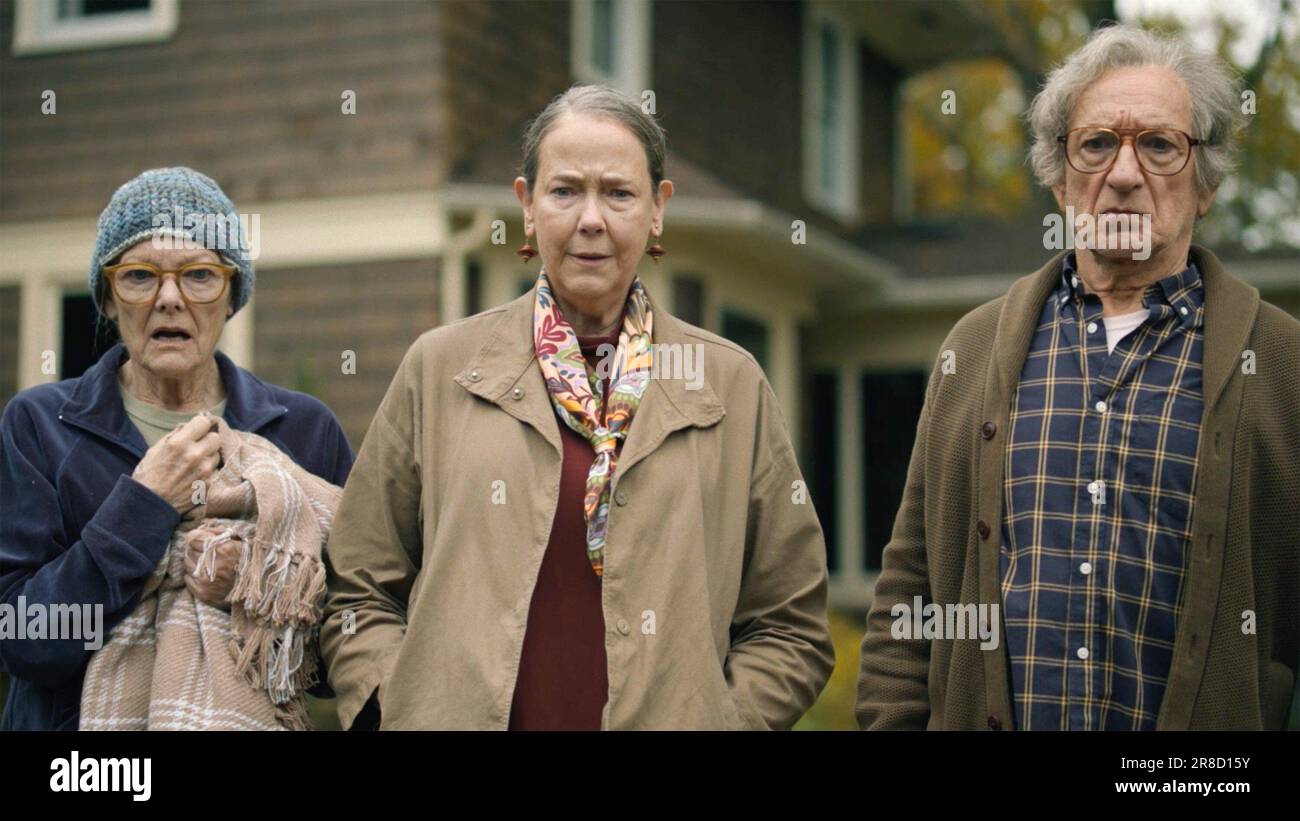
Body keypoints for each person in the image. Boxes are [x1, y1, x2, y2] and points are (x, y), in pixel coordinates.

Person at [321, 84, 834, 730]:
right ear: (527, 207)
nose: (591, 218)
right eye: (565, 191)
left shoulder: (727, 384)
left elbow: (792, 621)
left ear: (657, 211)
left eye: (618, 193)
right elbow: (357, 584)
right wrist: (392, 704)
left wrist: (724, 720)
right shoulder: (440, 369)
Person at [856, 24, 1298, 731]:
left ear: (1205, 182)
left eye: (1159, 144)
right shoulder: (970, 353)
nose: (1124, 174)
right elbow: (911, 585)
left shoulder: (1282, 366)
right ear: (1059, 177)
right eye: (1096, 144)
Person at [0, 167, 354, 730]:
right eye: (139, 276)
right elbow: (26, 641)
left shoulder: (303, 431)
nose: (169, 299)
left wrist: (250, 587)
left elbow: (352, 649)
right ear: (108, 300)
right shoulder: (40, 426)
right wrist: (141, 506)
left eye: (199, 276)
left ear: (232, 295)